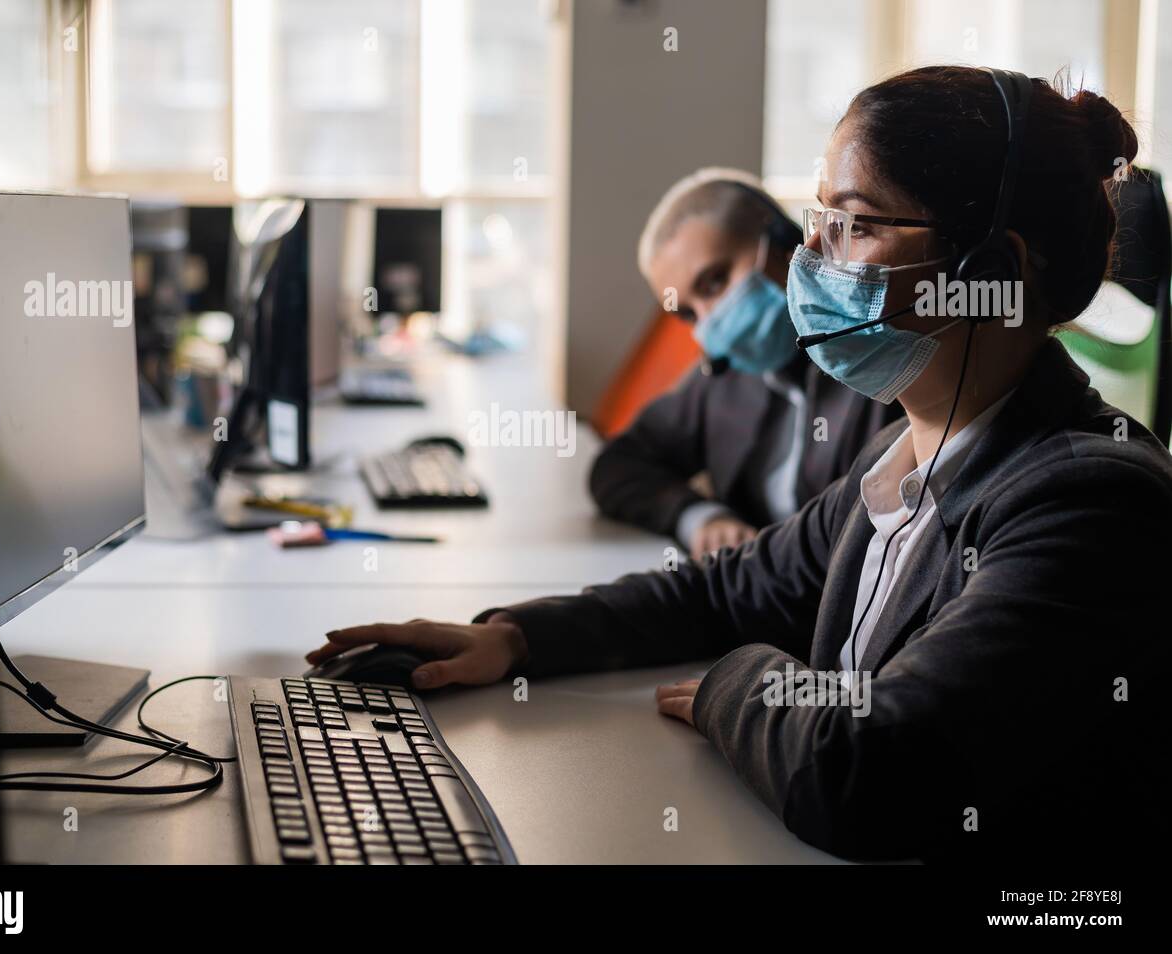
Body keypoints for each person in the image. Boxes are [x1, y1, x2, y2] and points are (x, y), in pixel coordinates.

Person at [309, 66, 1171, 860]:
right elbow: (725, 589)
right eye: (820, 219)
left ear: (991, 270)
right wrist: (513, 636)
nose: (813, 258)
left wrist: (739, 679)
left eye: (857, 225)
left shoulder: (1092, 501)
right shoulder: (903, 457)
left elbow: (875, 769)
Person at [590, 169, 900, 559]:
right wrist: (698, 517)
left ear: (785, 241)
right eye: (688, 313)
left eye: (715, 282)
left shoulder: (882, 364)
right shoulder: (721, 382)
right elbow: (616, 465)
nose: (709, 321)